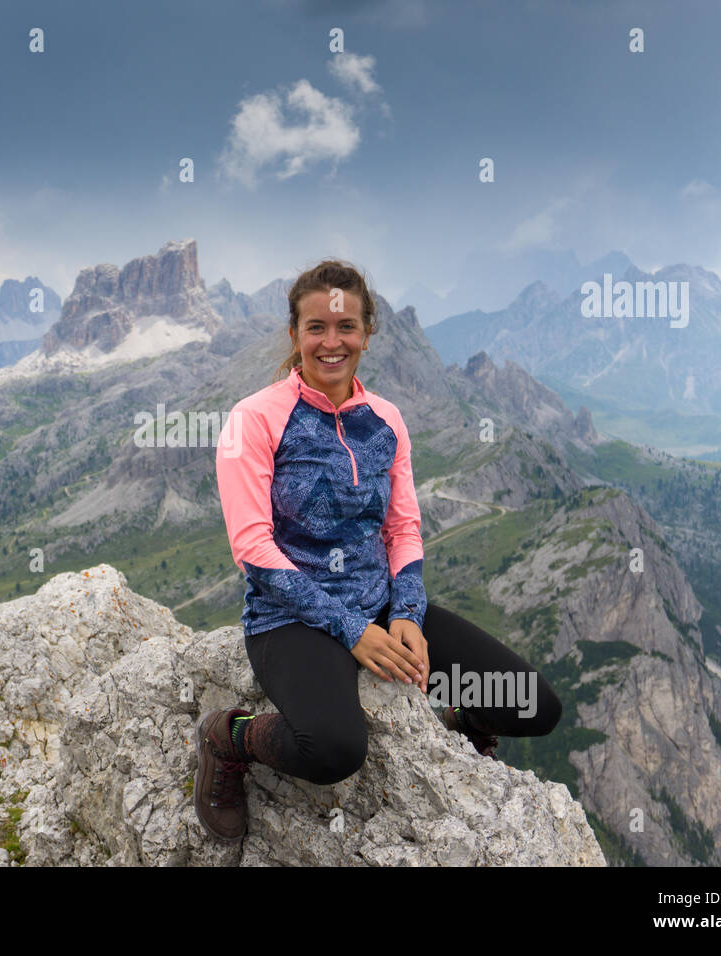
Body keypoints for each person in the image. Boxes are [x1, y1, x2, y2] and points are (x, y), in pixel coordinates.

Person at [195, 258, 562, 844]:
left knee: (534, 706)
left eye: (346, 328)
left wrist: (408, 617)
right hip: (289, 619)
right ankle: (227, 737)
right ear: (294, 335)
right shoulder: (255, 418)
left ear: (367, 334)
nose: (331, 342)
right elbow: (253, 550)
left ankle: (455, 725)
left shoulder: (385, 419)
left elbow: (404, 530)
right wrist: (351, 630)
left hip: (382, 607)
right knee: (335, 751)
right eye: (316, 327)